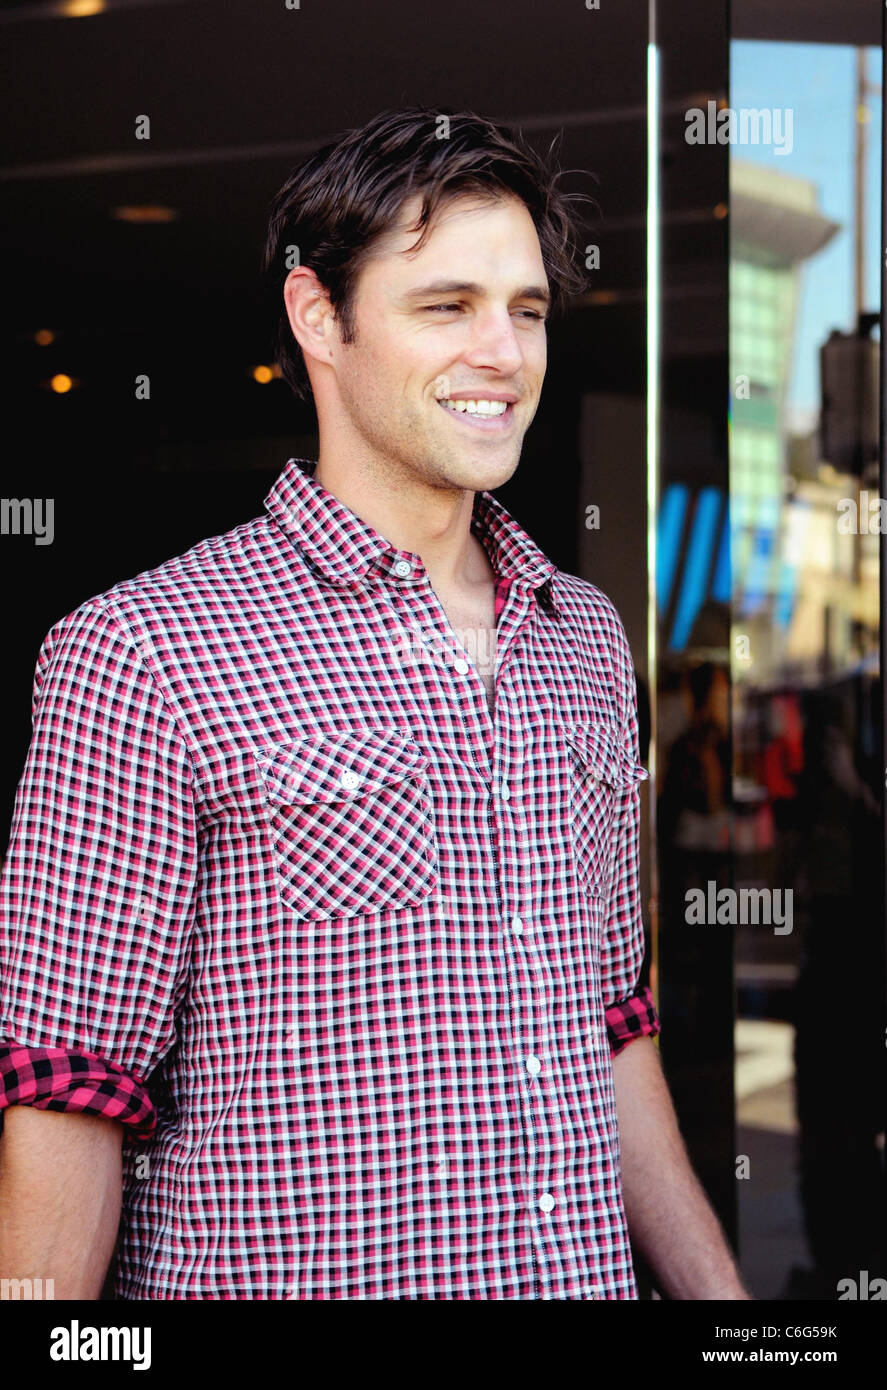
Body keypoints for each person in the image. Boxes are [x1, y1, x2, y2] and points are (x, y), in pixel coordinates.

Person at [0, 107, 750, 1300]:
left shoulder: (586, 643)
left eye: (526, 309)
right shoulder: (143, 649)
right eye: (445, 305)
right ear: (318, 320)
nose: (502, 352)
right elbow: (71, 1090)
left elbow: (610, 1029)